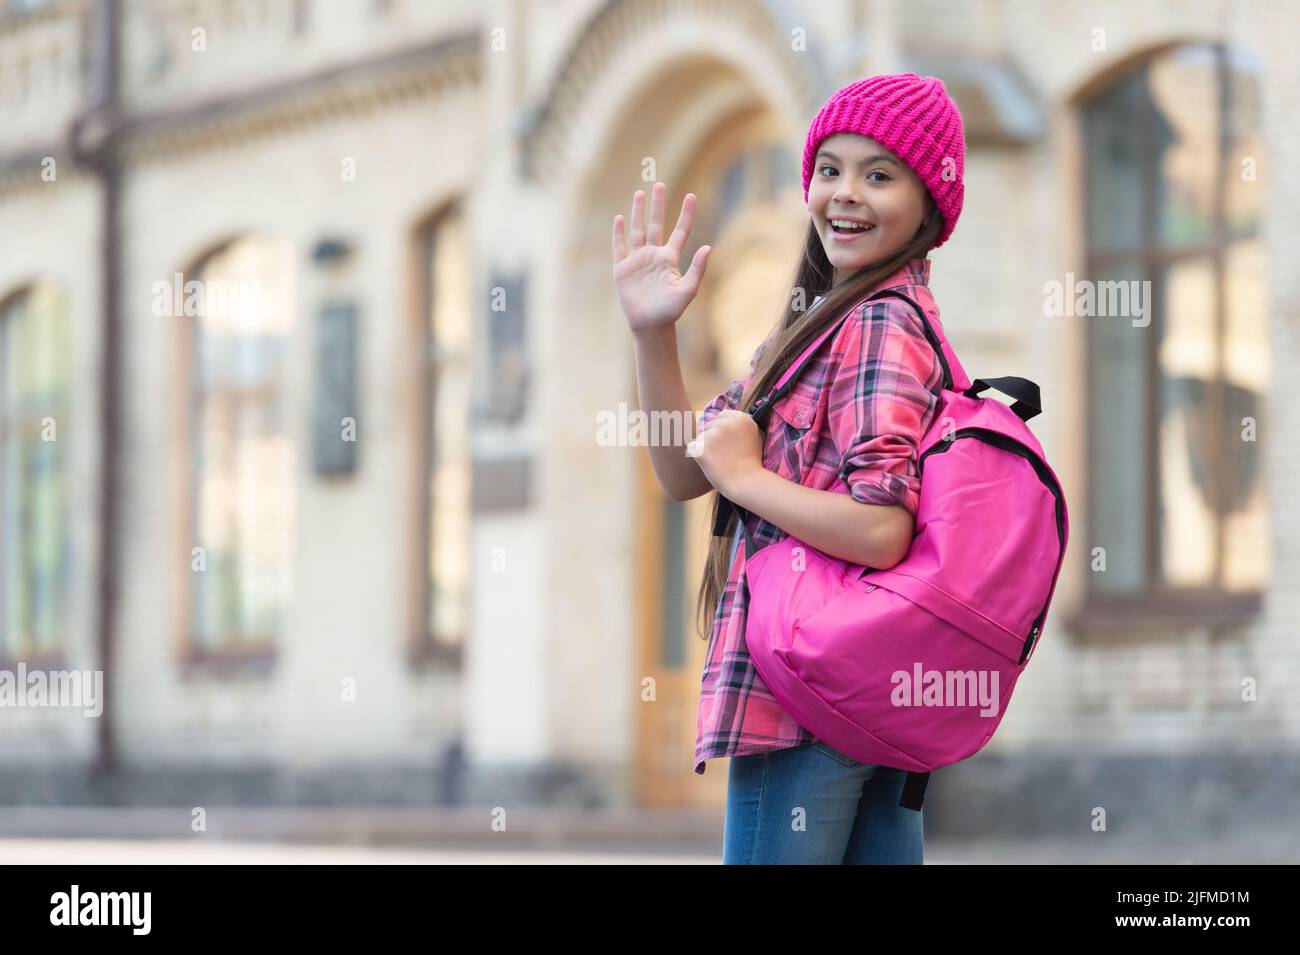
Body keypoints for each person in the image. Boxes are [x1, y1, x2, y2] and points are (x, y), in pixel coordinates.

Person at [613, 73, 966, 864]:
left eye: (879, 174)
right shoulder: (818, 328)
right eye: (830, 168)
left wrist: (748, 480)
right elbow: (682, 470)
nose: (845, 193)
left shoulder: (878, 324)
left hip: (806, 694)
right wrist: (652, 337)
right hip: (857, 694)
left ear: (929, 201)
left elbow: (883, 527)